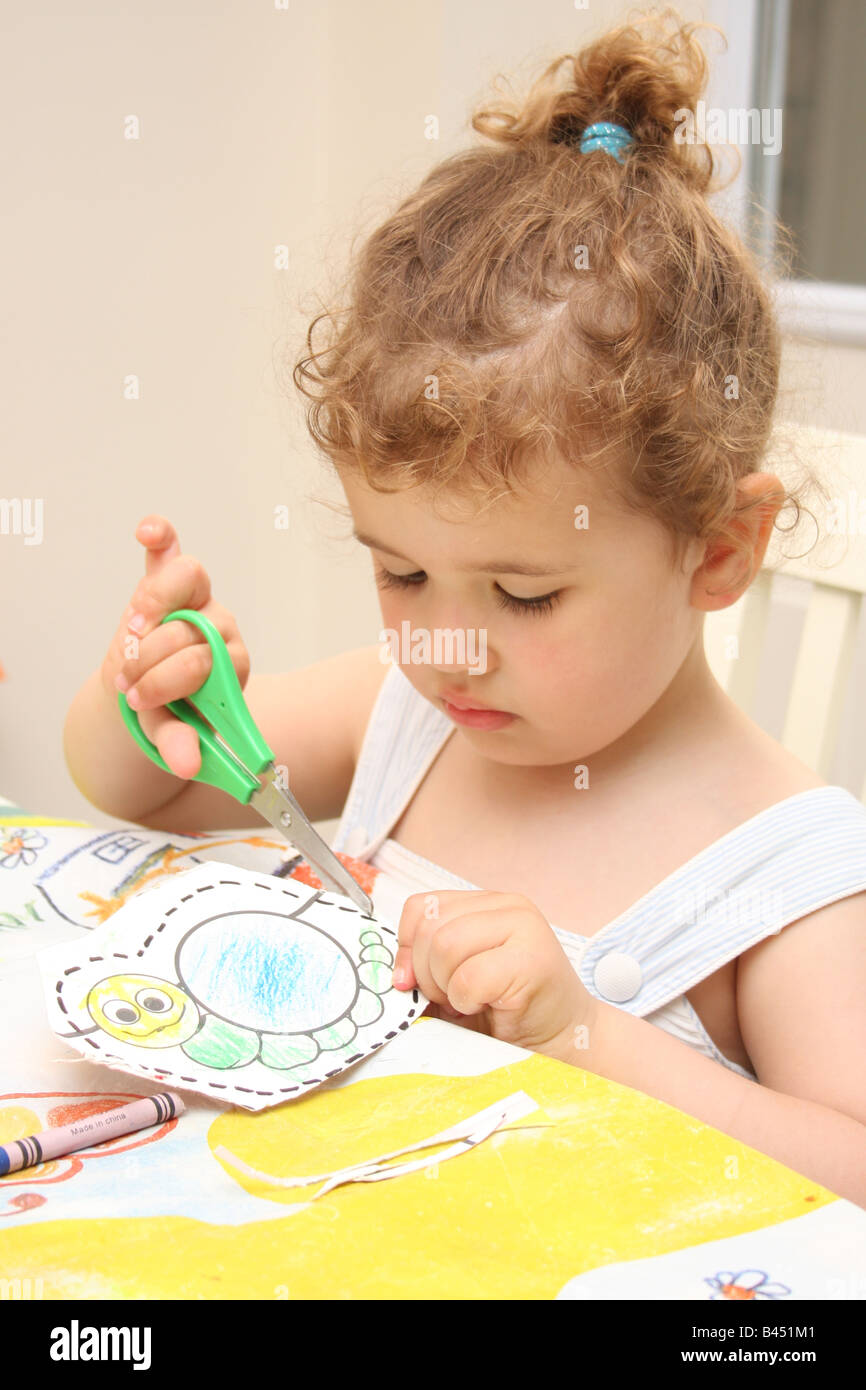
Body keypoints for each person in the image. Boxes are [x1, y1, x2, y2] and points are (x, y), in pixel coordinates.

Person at [65, 9, 866, 1206]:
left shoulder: (783, 873)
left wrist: (587, 1032)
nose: (446, 642)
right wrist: (146, 697)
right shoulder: (405, 716)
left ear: (718, 549)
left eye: (526, 593)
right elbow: (145, 791)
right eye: (399, 573)